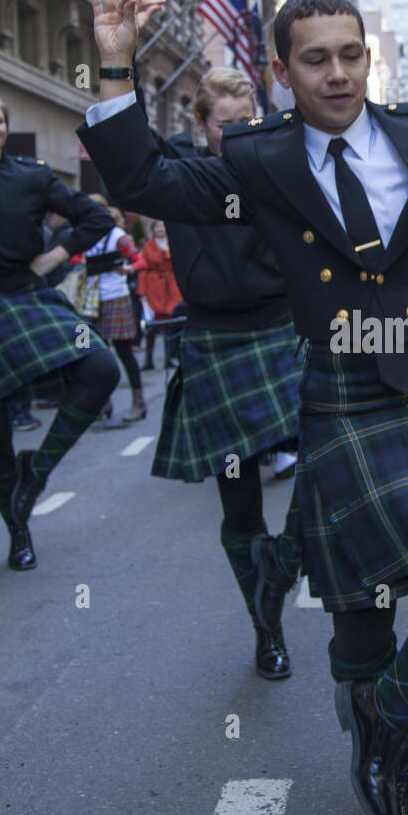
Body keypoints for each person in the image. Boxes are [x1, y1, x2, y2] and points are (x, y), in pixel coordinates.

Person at [78, 0, 408, 815]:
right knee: (361, 609)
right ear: (282, 69)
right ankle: (387, 751)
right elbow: (142, 176)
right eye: (316, 59)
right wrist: (116, 58)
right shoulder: (260, 161)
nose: (337, 74)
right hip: (341, 389)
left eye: (349, 54)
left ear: (365, 57)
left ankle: (391, 711)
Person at [127, 39, 306, 681]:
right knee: (239, 503)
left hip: (286, 335)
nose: (235, 136)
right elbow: (125, 157)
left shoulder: (284, 157)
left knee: (335, 456)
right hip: (216, 342)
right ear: (200, 127)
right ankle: (267, 628)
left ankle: (283, 564)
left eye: (244, 122)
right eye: (222, 126)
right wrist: (117, 60)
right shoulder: (177, 169)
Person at [0, 91, 119, 569]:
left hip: (27, 297)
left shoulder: (31, 175)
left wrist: (55, 256)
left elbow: (95, 217)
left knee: (101, 367)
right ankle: (17, 530)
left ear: (6, 128)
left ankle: (38, 470)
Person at [84, 196, 147, 423]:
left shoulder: (117, 236)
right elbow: (72, 258)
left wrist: (126, 269)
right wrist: (81, 264)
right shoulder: (84, 234)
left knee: (124, 352)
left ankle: (138, 403)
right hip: (91, 301)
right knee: (95, 354)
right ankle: (103, 403)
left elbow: (140, 262)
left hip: (115, 298)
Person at [137, 220, 183, 370]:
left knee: (170, 323)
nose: (160, 229)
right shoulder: (148, 246)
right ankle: (149, 360)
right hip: (154, 287)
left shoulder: (174, 243)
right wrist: (142, 292)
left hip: (171, 287)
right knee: (152, 324)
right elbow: (143, 269)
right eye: (157, 226)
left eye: (163, 226)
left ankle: (169, 358)